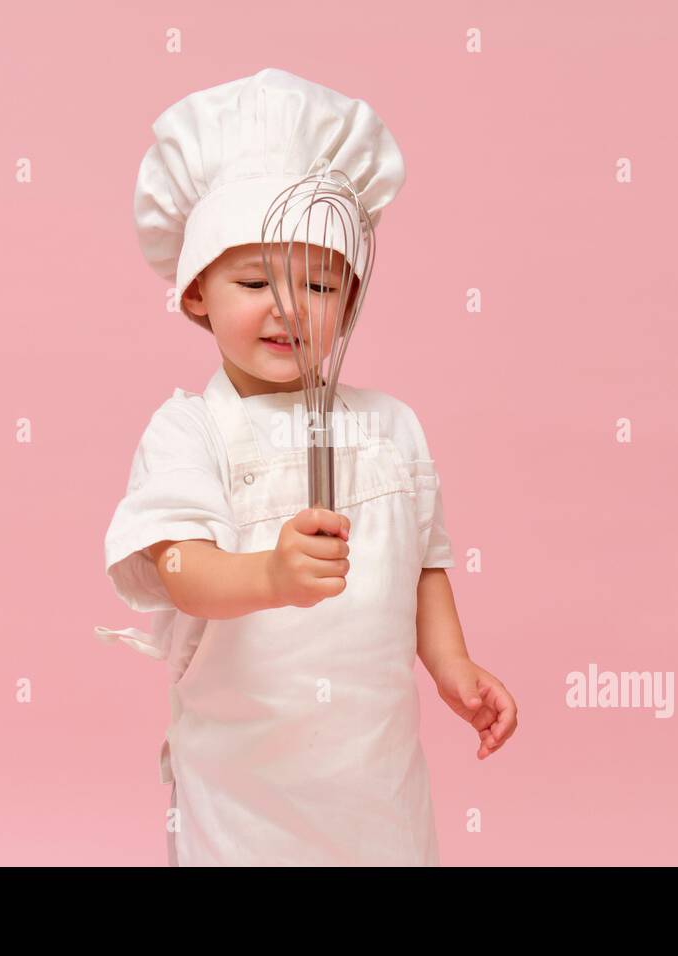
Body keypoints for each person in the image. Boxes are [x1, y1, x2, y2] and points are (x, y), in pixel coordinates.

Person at [96, 67, 517, 866]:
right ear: (195, 293)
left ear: (352, 300)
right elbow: (181, 568)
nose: (287, 307)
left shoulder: (392, 425)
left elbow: (423, 565)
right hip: (244, 787)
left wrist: (453, 666)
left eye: (319, 284)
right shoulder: (192, 430)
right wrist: (271, 578)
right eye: (254, 280)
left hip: (373, 780)